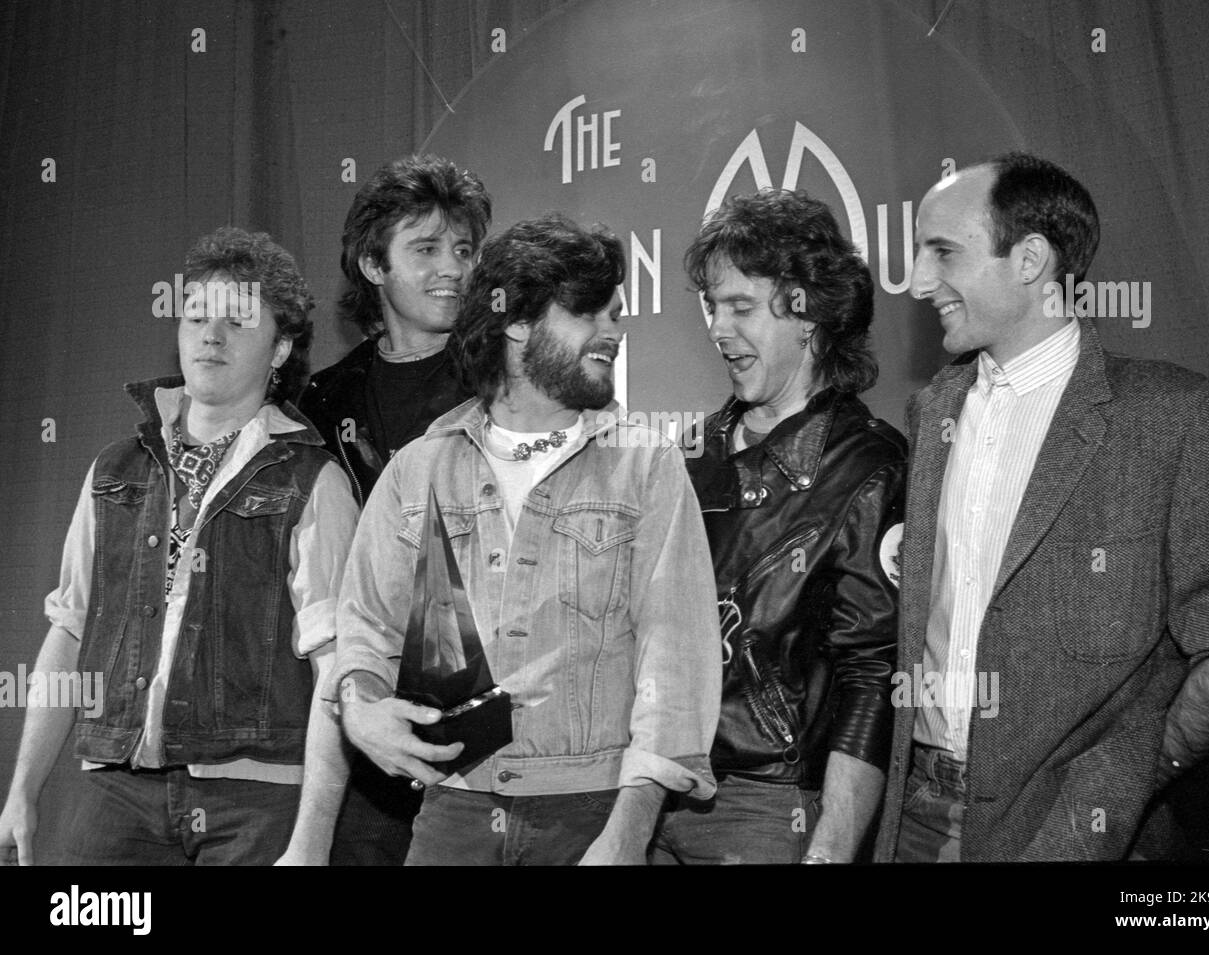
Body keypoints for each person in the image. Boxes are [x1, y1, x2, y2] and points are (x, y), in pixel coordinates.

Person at [875, 152, 1209, 862]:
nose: (917, 281)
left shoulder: (1182, 419)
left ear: (1032, 259)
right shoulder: (934, 411)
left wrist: (1121, 786)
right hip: (916, 818)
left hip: (1084, 834)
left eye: (942, 251)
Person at [324, 213, 722, 865]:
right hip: (451, 814)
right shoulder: (421, 467)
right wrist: (360, 706)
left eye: (617, 315)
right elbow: (364, 622)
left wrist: (626, 833)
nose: (613, 333)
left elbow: (676, 664)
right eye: (588, 313)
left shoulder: (646, 466)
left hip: (589, 815)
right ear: (515, 322)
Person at [0, 227, 358, 865]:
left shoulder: (315, 481)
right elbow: (68, 629)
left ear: (280, 349)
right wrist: (23, 791)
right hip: (115, 789)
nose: (210, 335)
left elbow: (339, 672)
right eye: (195, 317)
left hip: (256, 799)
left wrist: (310, 842)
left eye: (236, 322)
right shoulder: (114, 470)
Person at [649, 189, 906, 864]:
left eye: (739, 305)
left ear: (807, 311)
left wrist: (829, 850)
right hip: (653, 790)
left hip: (771, 809)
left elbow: (872, 673)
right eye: (711, 305)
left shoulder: (867, 465)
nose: (717, 327)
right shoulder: (689, 453)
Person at [293, 154, 491, 865]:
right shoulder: (323, 400)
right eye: (427, 248)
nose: (454, 269)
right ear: (374, 266)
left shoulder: (506, 384)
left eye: (465, 250)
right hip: (361, 722)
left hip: (483, 721)